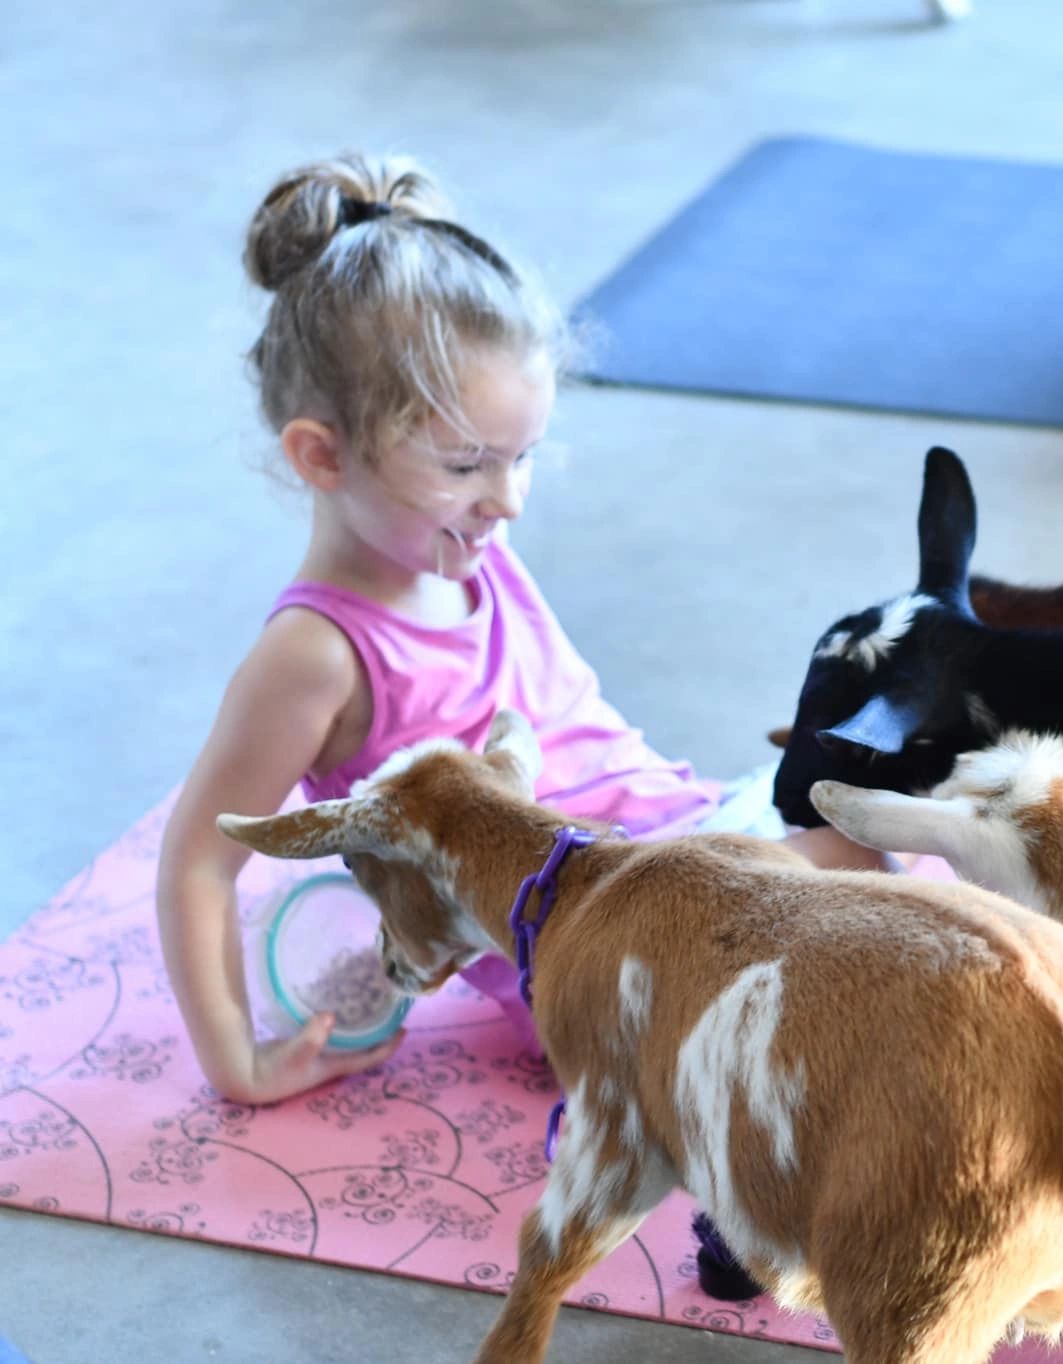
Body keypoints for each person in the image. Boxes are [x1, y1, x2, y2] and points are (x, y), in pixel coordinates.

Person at [157, 153, 883, 1107]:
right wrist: (237, 1065)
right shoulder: (314, 657)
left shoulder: (472, 550)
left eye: (523, 457)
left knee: (895, 813)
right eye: (466, 465)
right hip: (598, 952)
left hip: (684, 849)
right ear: (322, 456)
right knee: (873, 901)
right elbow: (199, 860)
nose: (506, 499)